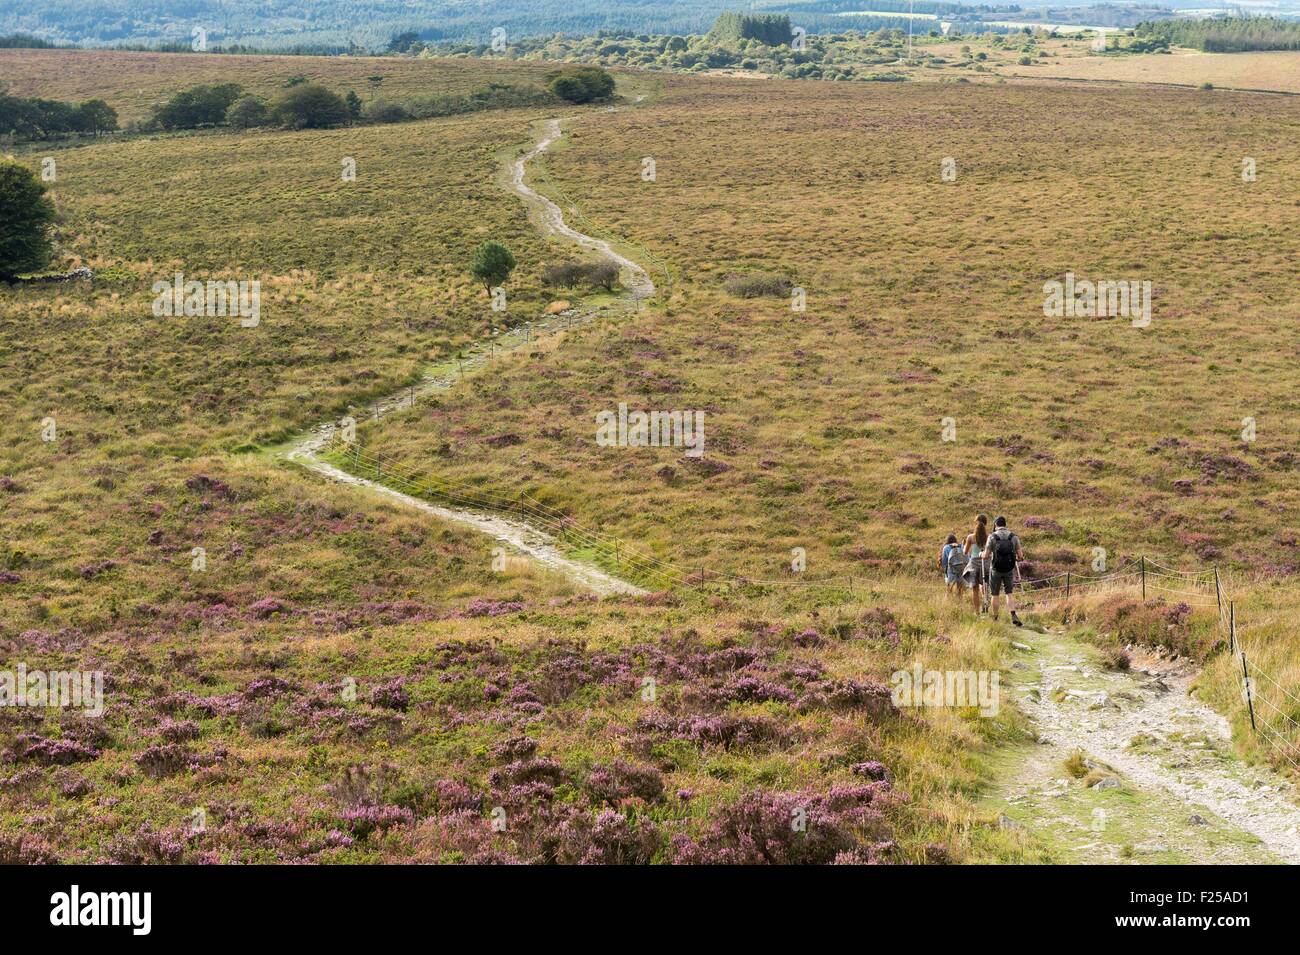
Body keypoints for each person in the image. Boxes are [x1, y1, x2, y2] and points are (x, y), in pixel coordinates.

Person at [982, 515, 1024, 626]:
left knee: (994, 594)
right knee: (1009, 593)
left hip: (995, 569)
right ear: (1005, 524)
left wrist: (981, 554)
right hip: (1009, 569)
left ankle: (995, 618)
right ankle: (1013, 614)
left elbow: (986, 555)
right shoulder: (1013, 537)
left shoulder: (992, 537)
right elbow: (1020, 556)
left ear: (995, 525)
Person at [962, 514, 989, 615]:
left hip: (974, 564)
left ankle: (977, 612)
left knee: (975, 589)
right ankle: (986, 607)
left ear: (976, 523)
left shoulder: (970, 537)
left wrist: (964, 544)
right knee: (986, 586)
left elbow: (965, 552)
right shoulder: (989, 537)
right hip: (985, 563)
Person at [939, 533, 965, 598]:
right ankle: (959, 600)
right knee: (960, 588)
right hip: (961, 568)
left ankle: (948, 599)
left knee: (949, 588)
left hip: (951, 570)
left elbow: (944, 562)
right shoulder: (961, 546)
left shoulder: (946, 547)